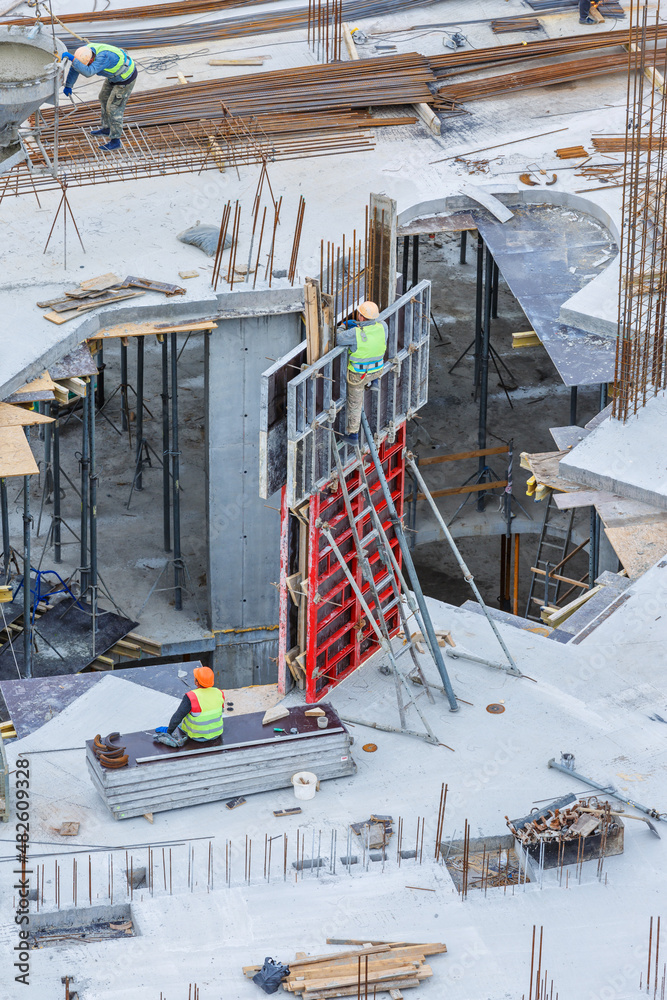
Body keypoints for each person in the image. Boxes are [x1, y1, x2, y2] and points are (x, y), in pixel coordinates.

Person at [61, 43, 137, 151]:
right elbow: (76, 67)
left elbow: (88, 72)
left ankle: (116, 141)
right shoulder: (86, 51)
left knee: (113, 108)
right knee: (103, 98)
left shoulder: (103, 57)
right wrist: (68, 85)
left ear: (91, 60)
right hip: (113, 77)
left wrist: (73, 59)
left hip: (125, 79)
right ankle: (107, 128)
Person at [336, 301, 388, 446]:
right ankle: (374, 382)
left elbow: (339, 339)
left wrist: (342, 327)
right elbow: (377, 342)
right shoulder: (383, 326)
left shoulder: (355, 334)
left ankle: (353, 434)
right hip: (377, 370)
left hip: (358, 375)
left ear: (362, 318)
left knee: (355, 403)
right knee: (373, 363)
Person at [154, 666, 225, 747]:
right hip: (216, 734)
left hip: (197, 737)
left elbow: (177, 717)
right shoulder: (219, 693)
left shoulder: (192, 697)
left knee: (181, 722)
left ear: (197, 682)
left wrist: (169, 731)